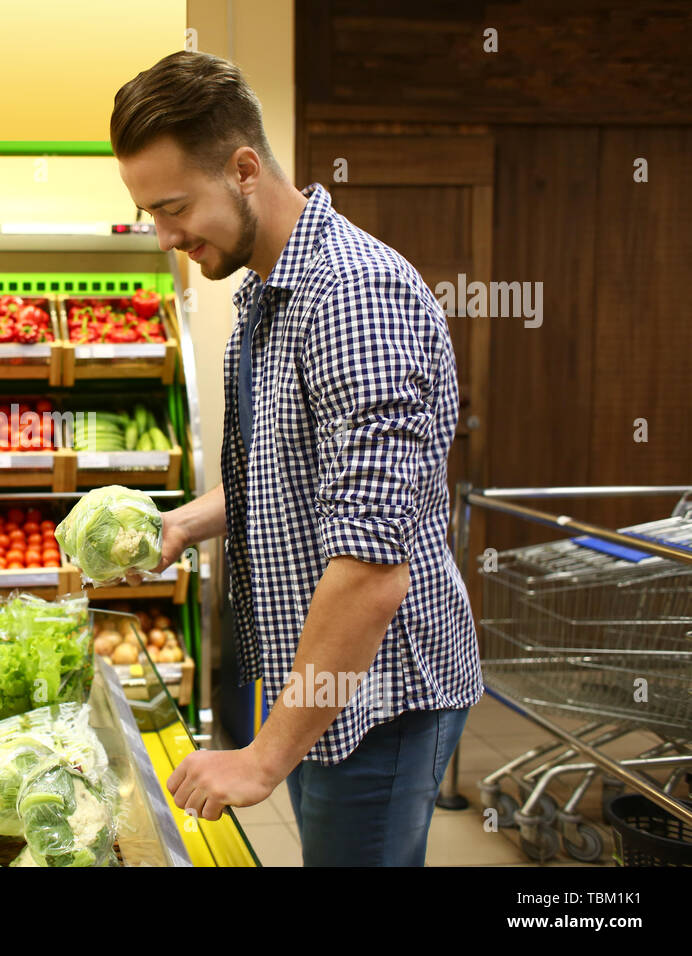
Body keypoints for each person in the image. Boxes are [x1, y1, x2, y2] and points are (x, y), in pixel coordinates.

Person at [110, 51, 483, 866]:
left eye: (174, 208)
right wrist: (185, 521)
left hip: (377, 697)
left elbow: (372, 568)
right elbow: (293, 474)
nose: (167, 239)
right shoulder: (270, 289)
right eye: (150, 216)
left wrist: (262, 757)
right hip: (321, 686)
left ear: (244, 169)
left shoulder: (353, 298)